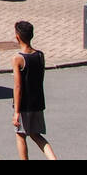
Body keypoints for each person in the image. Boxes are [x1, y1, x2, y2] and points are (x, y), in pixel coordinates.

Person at [12, 20, 58, 161]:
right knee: (36, 134)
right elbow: (40, 77)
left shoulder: (18, 59)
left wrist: (16, 111)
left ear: (17, 37)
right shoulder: (40, 55)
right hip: (37, 102)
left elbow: (18, 86)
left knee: (20, 135)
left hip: (24, 104)